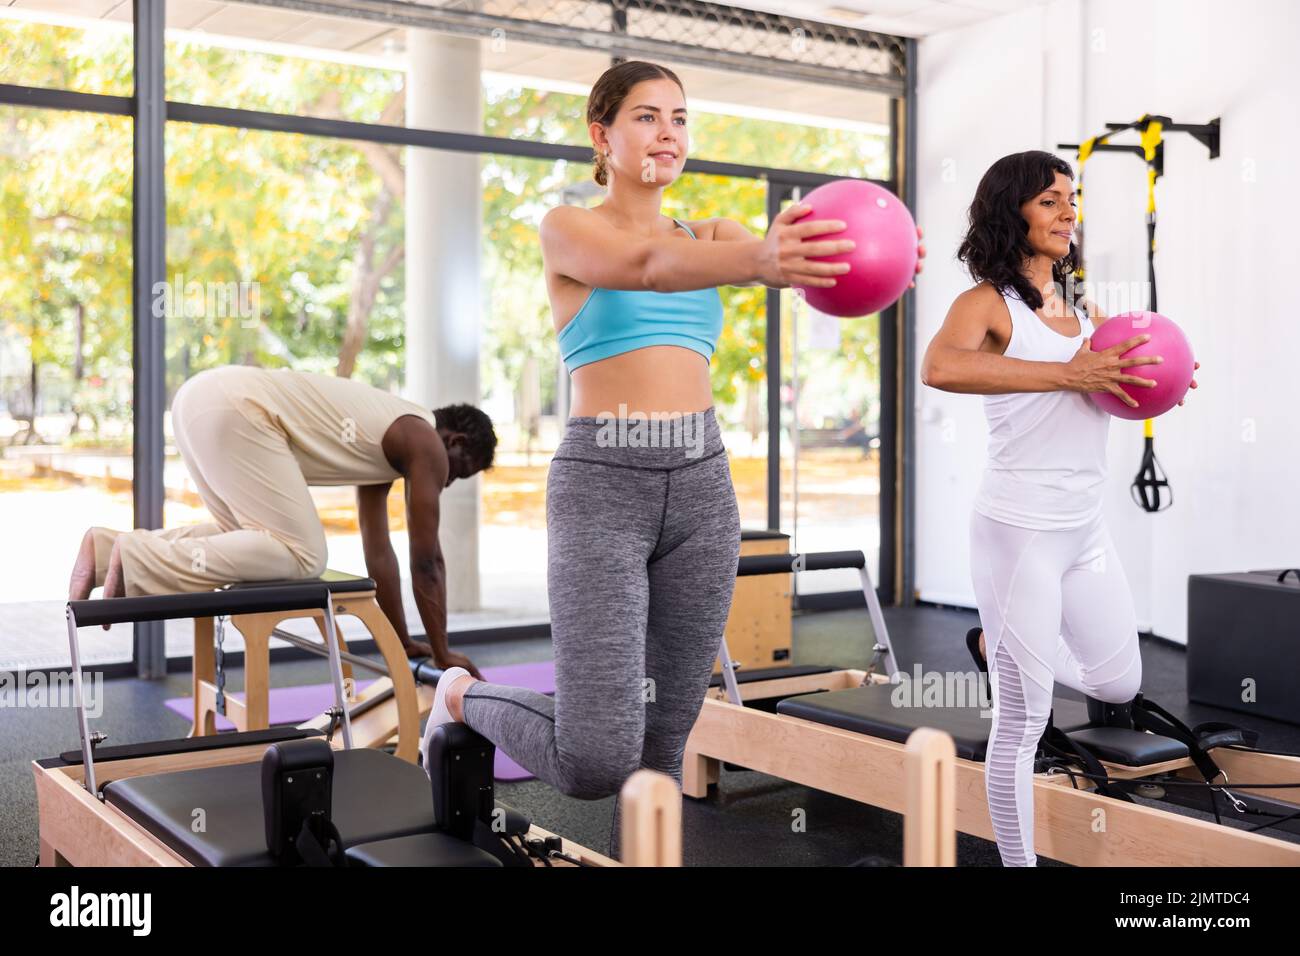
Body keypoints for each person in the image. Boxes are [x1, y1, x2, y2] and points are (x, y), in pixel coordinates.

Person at [420, 59, 925, 851]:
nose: (669, 133)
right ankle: (455, 697)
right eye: (648, 117)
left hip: (702, 487)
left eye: (681, 118)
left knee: (661, 748)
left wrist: (876, 258)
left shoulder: (714, 236)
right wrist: (765, 260)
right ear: (603, 135)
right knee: (595, 758)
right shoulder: (569, 228)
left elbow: (788, 257)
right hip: (602, 486)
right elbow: (645, 269)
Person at [920, 150, 1199, 866]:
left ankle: (998, 646)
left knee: (1121, 682)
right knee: (1024, 717)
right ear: (1011, 212)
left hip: (1085, 528)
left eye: (1071, 199)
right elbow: (941, 366)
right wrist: (1066, 371)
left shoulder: (1083, 303)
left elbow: (1124, 374)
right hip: (1018, 533)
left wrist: (1167, 377)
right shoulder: (987, 303)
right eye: (1050, 200)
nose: (1068, 211)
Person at [68, 365, 496, 668]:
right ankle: (139, 555)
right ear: (454, 440)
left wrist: (402, 642)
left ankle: (108, 551)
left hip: (200, 400)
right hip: (237, 408)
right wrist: (444, 654)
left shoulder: (390, 437)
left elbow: (379, 552)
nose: (449, 480)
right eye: (462, 469)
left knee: (246, 537)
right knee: (304, 554)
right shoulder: (425, 443)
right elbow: (427, 561)